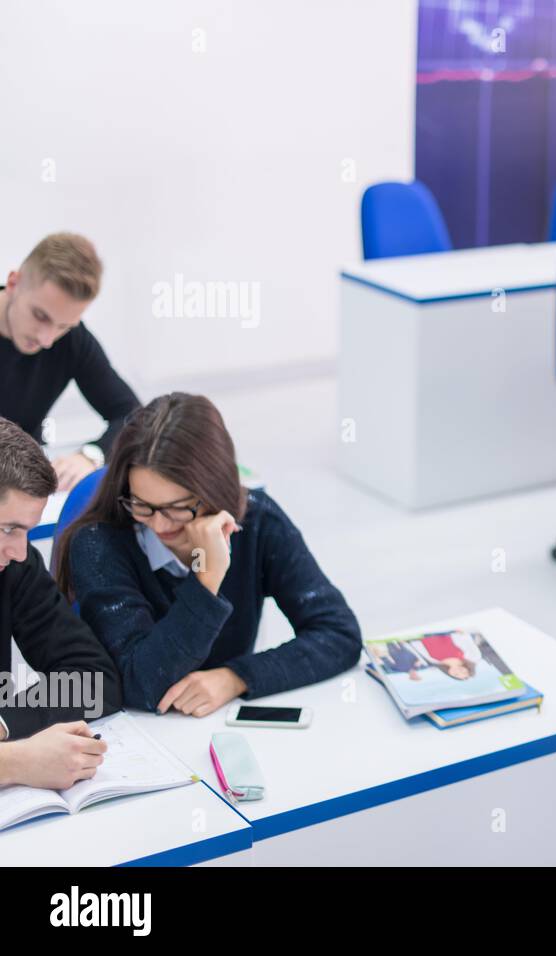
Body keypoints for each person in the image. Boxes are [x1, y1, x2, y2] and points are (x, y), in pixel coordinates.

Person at [54, 393, 362, 716]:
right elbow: (141, 684)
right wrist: (206, 579)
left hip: (218, 724)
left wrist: (235, 678)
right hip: (136, 735)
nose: (159, 524)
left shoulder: (256, 521)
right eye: (142, 505)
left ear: (214, 488)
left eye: (177, 508)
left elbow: (339, 633)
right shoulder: (99, 543)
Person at [0, 417, 122, 790]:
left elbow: (96, 681)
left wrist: (6, 723)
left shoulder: (13, 566)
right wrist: (16, 763)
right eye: (8, 529)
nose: (21, 550)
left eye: (27, 530)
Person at [0, 233, 141, 492]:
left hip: (18, 492)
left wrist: (91, 455)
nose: (47, 339)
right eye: (40, 315)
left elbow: (133, 415)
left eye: (64, 325)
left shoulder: (72, 341)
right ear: (13, 282)